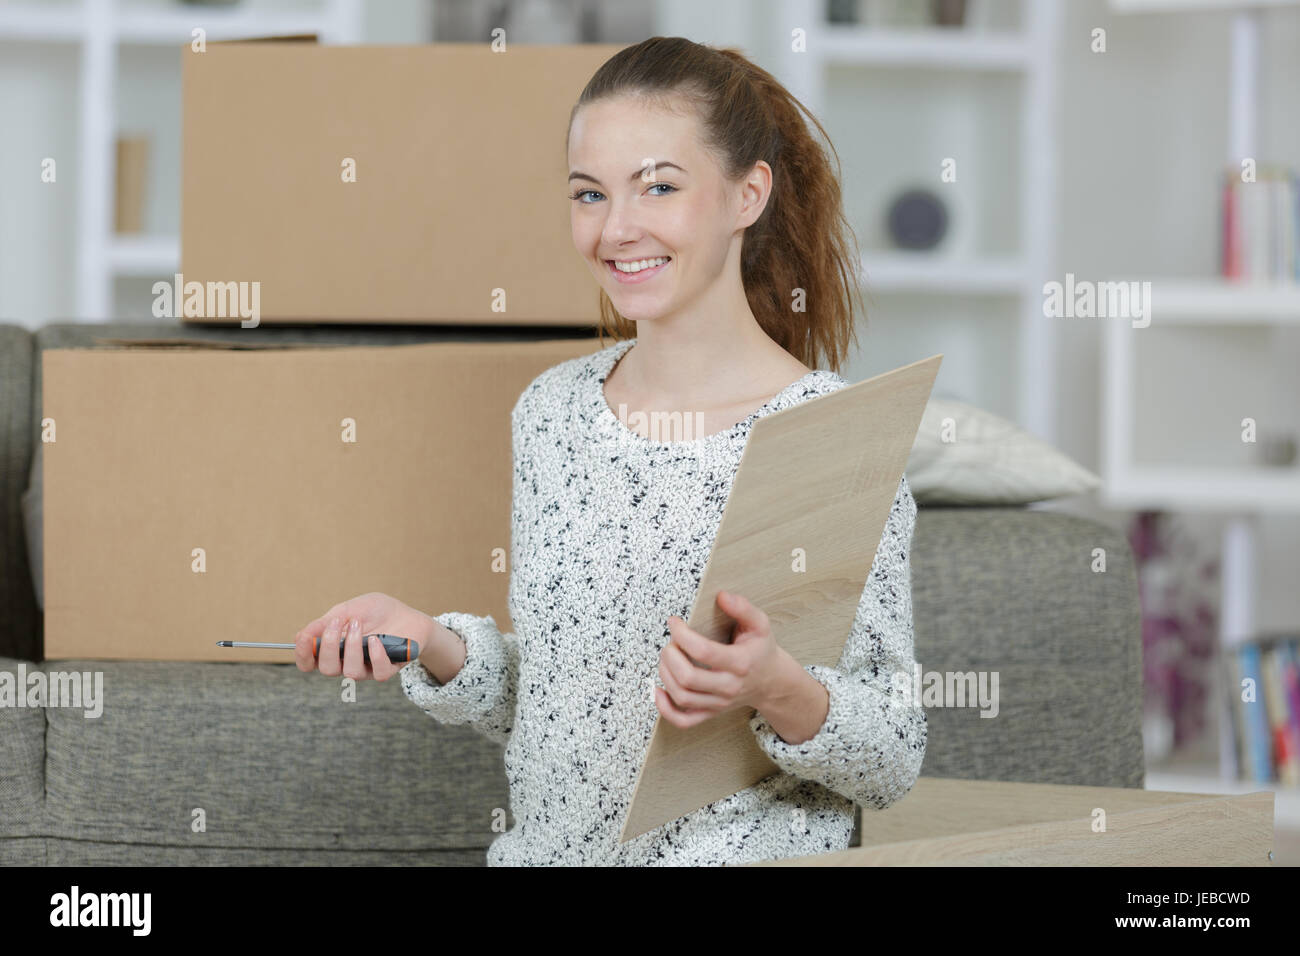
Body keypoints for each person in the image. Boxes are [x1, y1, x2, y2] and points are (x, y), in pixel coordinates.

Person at [294, 36, 925, 866]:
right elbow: (564, 699)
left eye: (658, 186)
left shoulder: (831, 441)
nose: (617, 229)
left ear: (748, 194)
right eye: (589, 194)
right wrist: (433, 642)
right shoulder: (552, 414)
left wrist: (776, 686)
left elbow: (894, 753)